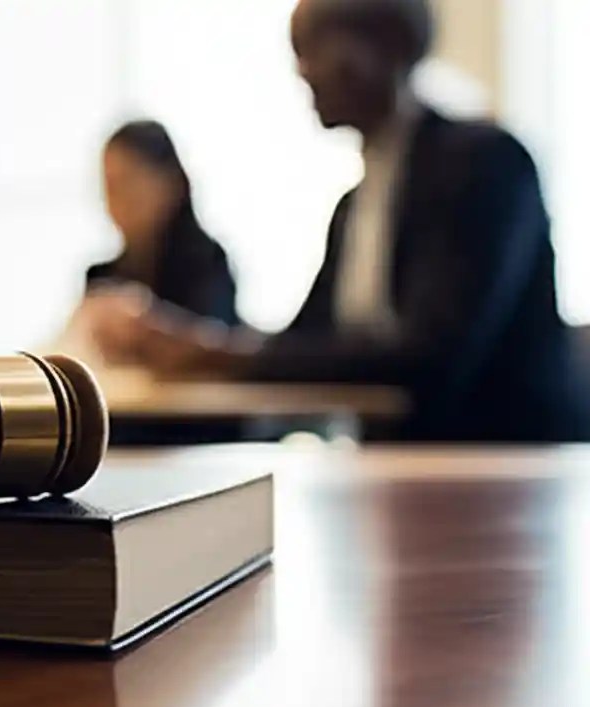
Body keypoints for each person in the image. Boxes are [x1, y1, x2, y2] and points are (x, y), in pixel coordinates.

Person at [94, 0, 590, 442]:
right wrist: (183, 342)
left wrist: (217, 354)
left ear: (388, 47)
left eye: (313, 49)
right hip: (400, 466)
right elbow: (308, 341)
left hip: (506, 466)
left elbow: (430, 357)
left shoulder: (484, 165)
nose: (302, 73)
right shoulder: (357, 203)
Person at [82, 120, 239, 328]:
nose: (119, 200)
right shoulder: (102, 280)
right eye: (109, 186)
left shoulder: (207, 264)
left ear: (171, 182)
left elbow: (214, 342)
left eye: (129, 182)